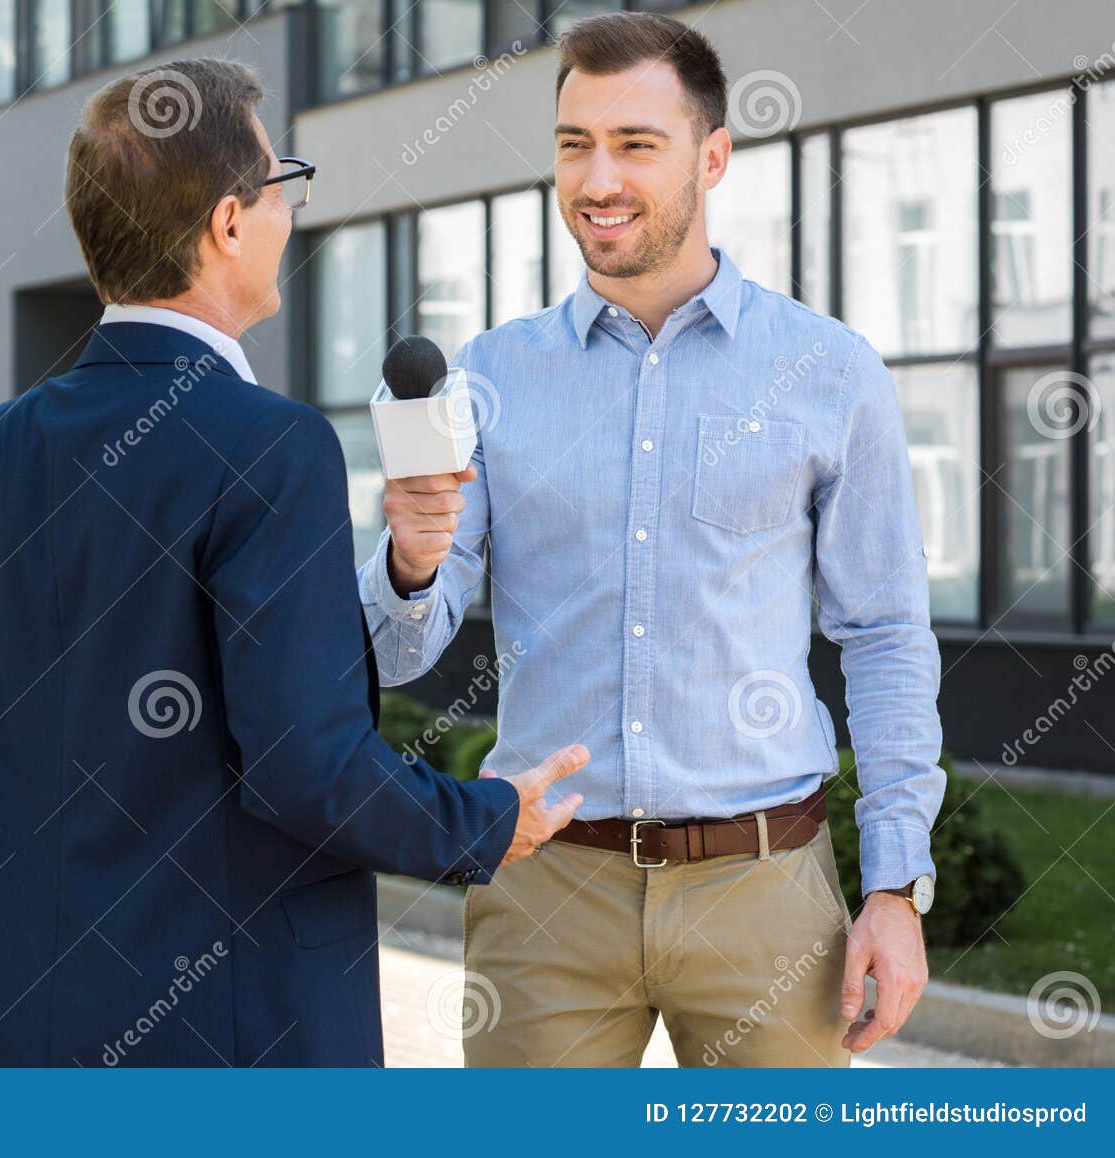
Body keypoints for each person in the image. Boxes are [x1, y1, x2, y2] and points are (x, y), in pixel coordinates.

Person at [0, 56, 587, 1068]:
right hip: (230, 1027)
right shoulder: (268, 444)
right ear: (225, 223)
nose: (289, 214)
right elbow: (305, 764)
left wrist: (23, 912)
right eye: (281, 184)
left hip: (15, 1014)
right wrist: (481, 819)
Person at [360, 11, 943, 1067]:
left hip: (766, 892)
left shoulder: (828, 371)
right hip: (543, 896)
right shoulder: (489, 377)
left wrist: (897, 888)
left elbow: (887, 633)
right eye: (573, 143)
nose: (597, 178)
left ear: (711, 156)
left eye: (635, 143)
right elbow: (402, 651)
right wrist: (407, 559)